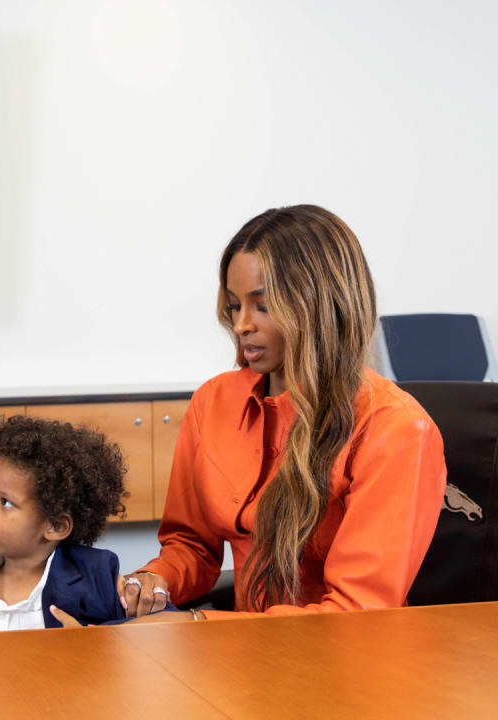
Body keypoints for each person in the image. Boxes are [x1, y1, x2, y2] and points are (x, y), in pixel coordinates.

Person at [119, 204, 447, 619]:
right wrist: (152, 581)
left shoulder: (396, 428)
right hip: (239, 655)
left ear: (320, 305)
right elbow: (193, 546)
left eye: (263, 305)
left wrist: (196, 624)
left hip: (343, 665)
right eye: (235, 305)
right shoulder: (214, 402)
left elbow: (355, 614)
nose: (240, 325)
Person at [0, 415, 172, 632]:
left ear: (55, 526)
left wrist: (93, 640)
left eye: (5, 502)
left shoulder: (94, 575)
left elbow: (166, 625)